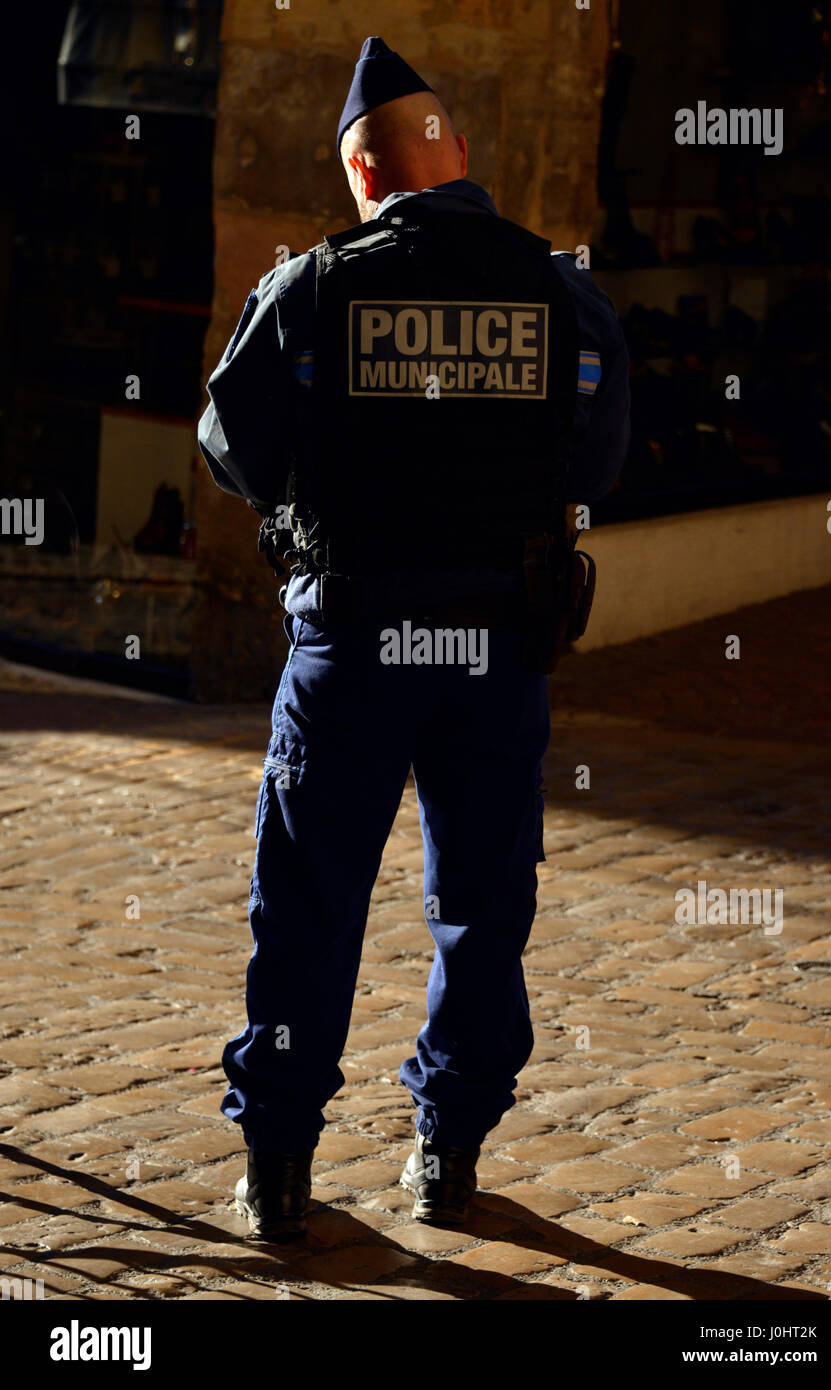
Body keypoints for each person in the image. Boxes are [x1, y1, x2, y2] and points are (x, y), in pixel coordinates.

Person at [198, 36, 630, 1241]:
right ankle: (448, 1153)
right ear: (463, 158)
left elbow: (229, 448)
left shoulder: (315, 288)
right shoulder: (562, 291)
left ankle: (278, 1165)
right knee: (484, 900)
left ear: (361, 173)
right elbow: (596, 460)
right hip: (496, 647)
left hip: (353, 640)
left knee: (309, 900)